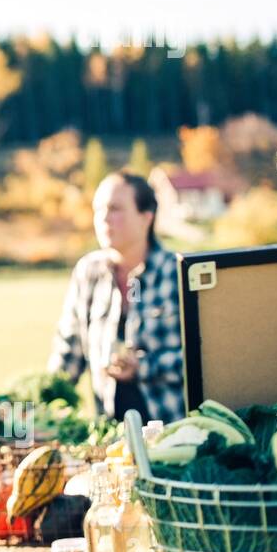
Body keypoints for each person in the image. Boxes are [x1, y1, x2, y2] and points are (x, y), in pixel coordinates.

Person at [47, 171, 186, 425]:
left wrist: (144, 367)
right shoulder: (88, 272)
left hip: (173, 435)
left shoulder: (178, 272)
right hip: (112, 442)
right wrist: (40, 402)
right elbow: (68, 355)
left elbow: (200, 360)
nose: (103, 218)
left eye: (115, 209)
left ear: (146, 217)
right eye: (98, 209)